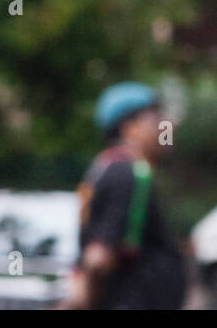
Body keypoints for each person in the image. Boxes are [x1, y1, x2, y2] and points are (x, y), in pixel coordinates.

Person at [62, 82, 187, 309]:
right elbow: (98, 257)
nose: (168, 127)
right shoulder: (129, 173)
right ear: (129, 128)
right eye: (156, 119)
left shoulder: (106, 167)